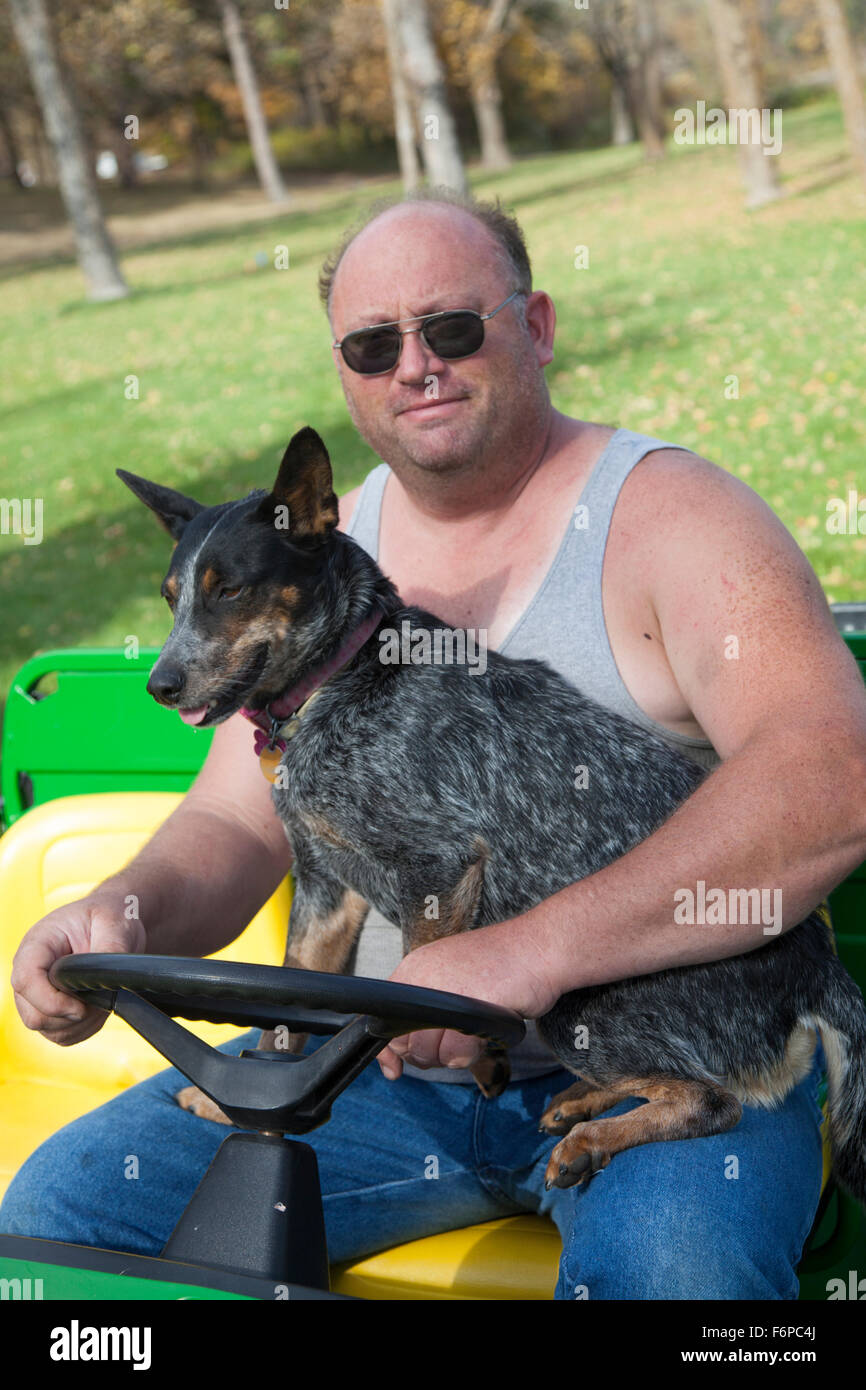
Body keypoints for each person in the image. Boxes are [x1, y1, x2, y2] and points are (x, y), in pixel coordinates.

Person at [4, 190, 866, 1300]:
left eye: (451, 327)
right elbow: (234, 817)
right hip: (377, 1071)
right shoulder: (310, 550)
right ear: (346, 370)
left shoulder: (672, 518)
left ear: (537, 324)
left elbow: (831, 774)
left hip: (677, 1056)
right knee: (66, 1211)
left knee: (677, 1277)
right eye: (373, 345)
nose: (415, 364)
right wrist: (117, 910)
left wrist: (524, 952)